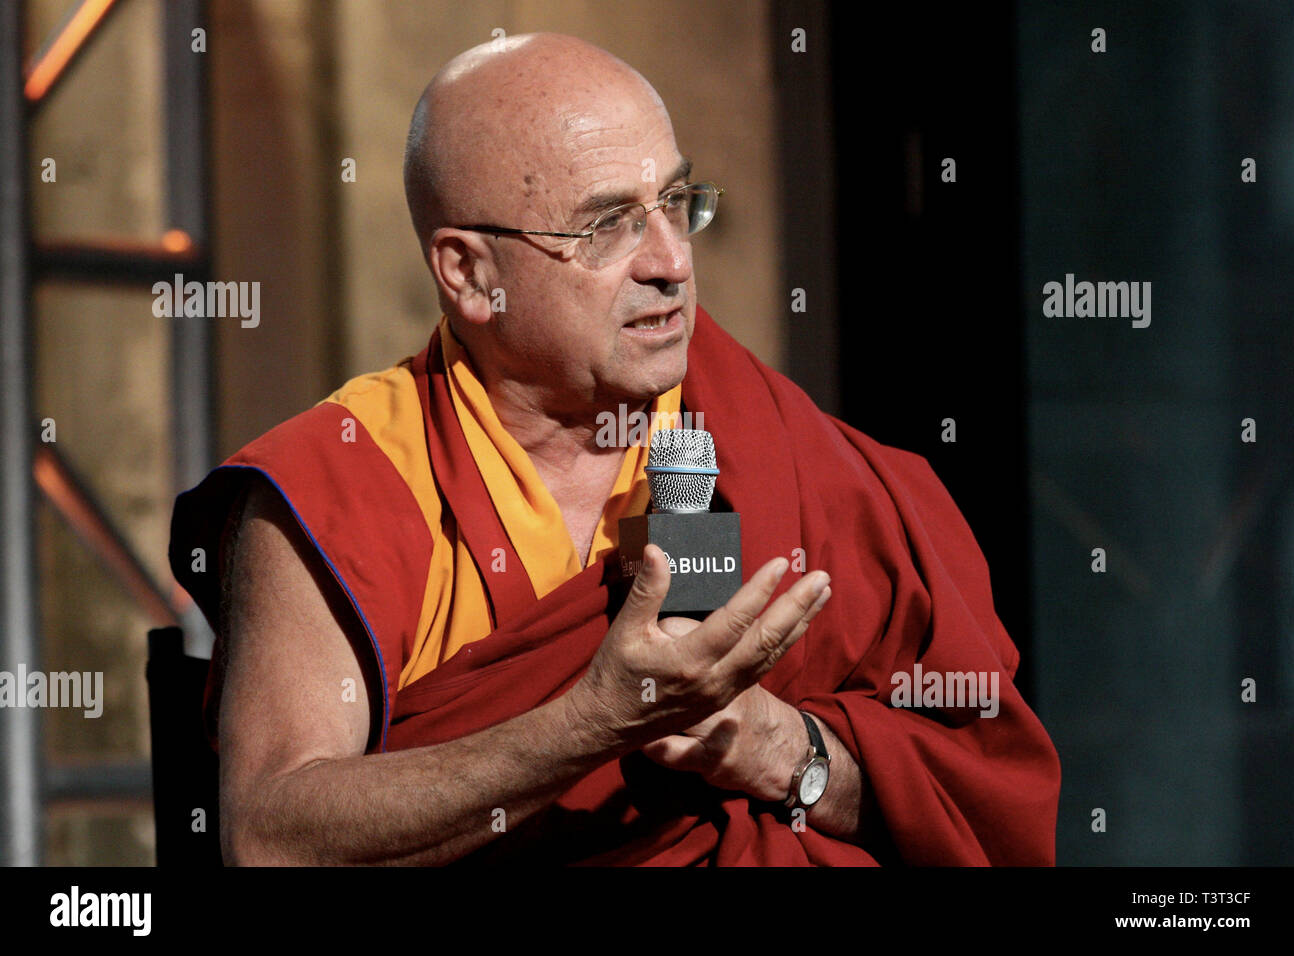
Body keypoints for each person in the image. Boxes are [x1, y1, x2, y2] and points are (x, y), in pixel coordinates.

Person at [169, 32, 1060, 866]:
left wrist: (787, 750)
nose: (671, 262)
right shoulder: (345, 482)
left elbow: (980, 797)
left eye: (675, 203)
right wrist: (593, 721)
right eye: (607, 226)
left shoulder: (772, 449)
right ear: (469, 273)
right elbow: (271, 833)